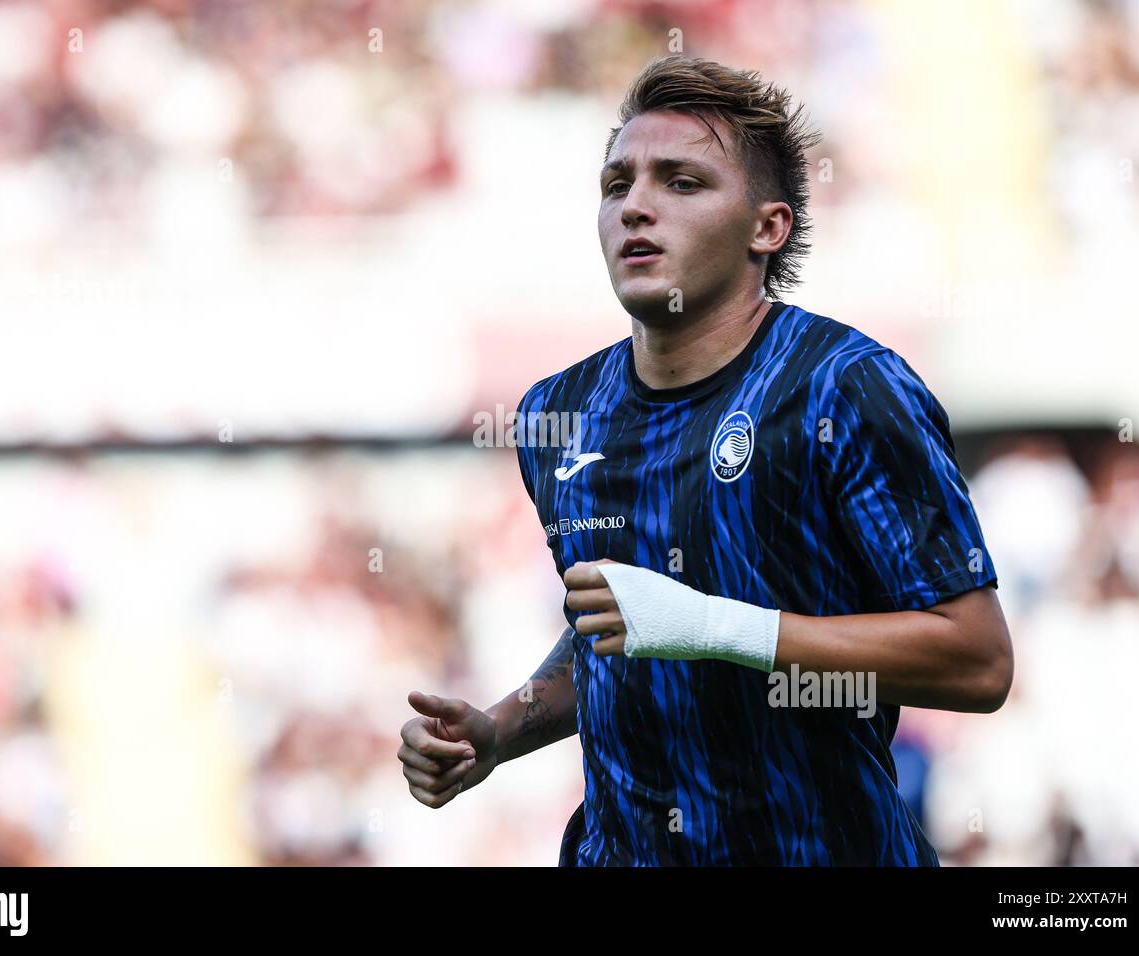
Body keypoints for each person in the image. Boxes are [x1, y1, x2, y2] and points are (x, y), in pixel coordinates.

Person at [398, 56, 1012, 865]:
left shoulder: (845, 387)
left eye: (681, 183)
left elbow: (978, 660)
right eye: (617, 184)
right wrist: (500, 730)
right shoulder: (557, 413)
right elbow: (615, 632)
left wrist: (718, 627)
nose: (636, 207)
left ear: (768, 228)